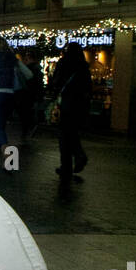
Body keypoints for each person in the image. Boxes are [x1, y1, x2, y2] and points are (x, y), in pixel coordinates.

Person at [48, 42, 92, 189]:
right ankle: (77, 158)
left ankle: (68, 165)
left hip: (65, 103)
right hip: (79, 105)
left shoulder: (63, 63)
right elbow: (88, 87)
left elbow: (56, 81)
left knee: (64, 135)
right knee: (72, 132)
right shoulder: (84, 66)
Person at [0, 39, 31, 158]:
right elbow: (29, 74)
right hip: (9, 94)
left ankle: (9, 156)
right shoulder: (13, 58)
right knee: (1, 125)